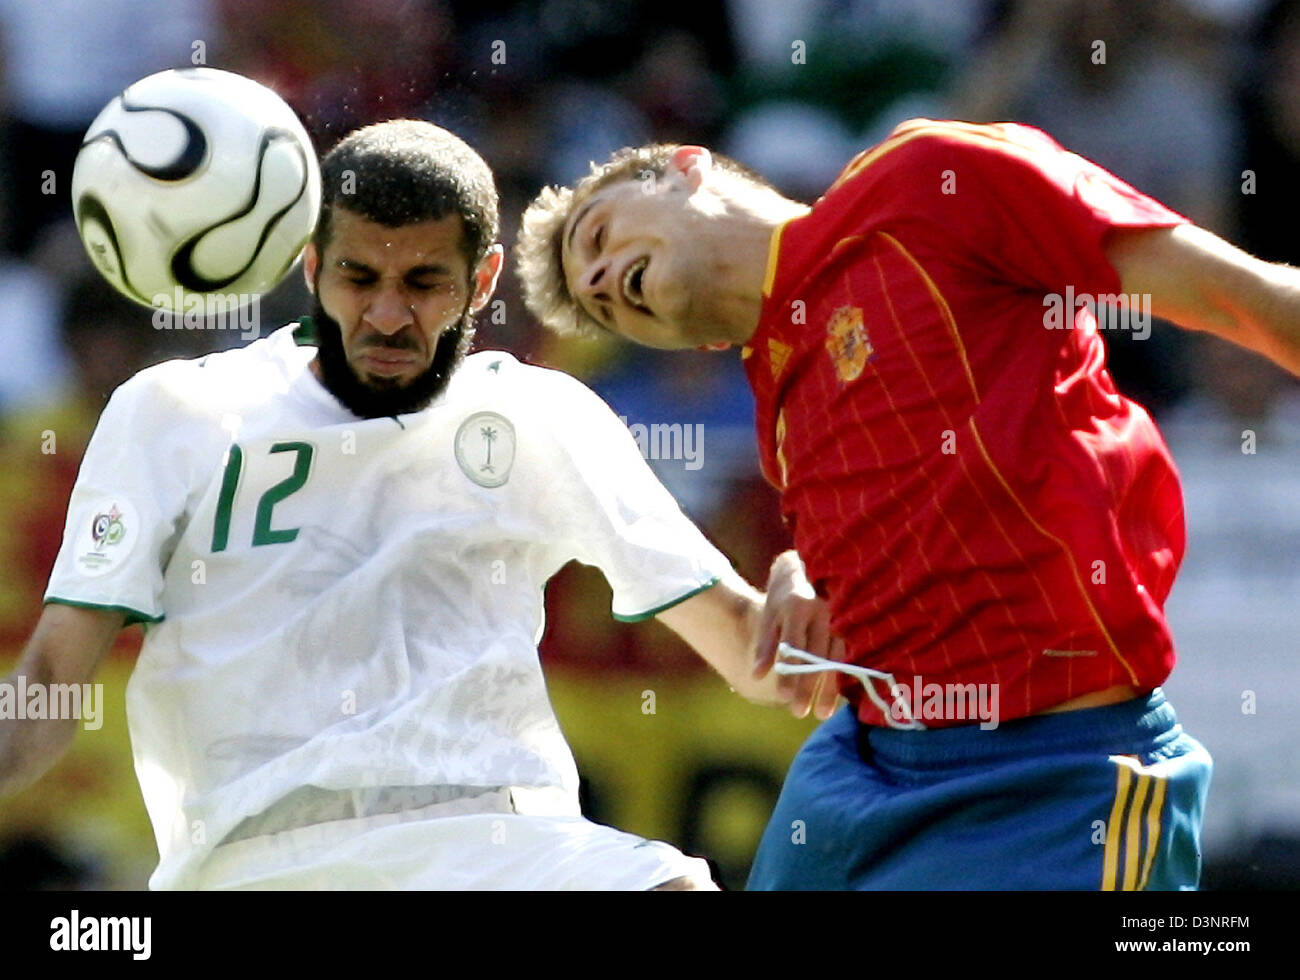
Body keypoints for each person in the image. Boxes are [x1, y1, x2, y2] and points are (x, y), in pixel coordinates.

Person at [0, 119, 832, 891]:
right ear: (313, 267)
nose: (388, 315)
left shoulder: (541, 413)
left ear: (483, 280)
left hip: (501, 842)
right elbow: (49, 677)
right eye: (360, 277)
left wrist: (796, 588)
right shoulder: (170, 411)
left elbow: (752, 656)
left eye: (426, 282)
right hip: (255, 859)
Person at [515, 117, 1300, 890]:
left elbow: (1242, 297)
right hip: (862, 769)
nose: (596, 281)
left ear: (687, 166)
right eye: (601, 308)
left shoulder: (928, 180)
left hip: (1060, 769)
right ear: (700, 348)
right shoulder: (778, 393)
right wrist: (802, 574)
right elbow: (891, 517)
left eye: (597, 235)